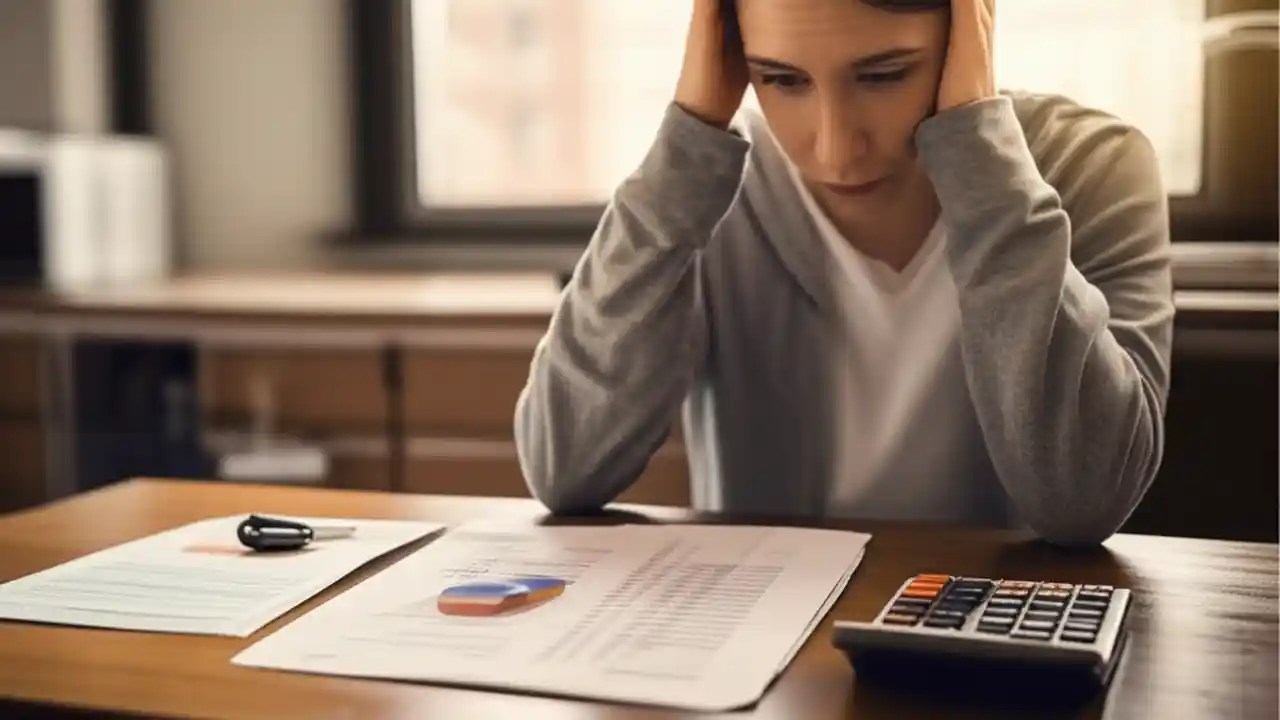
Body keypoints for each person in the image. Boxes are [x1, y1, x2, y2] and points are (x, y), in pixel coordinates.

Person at [514, 0, 1174, 546]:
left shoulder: (1096, 167)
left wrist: (981, 157)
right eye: (781, 79)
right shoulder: (708, 186)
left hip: (998, 662)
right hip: (769, 668)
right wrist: (690, 135)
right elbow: (564, 466)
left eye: (885, 74)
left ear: (968, 27)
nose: (834, 149)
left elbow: (1085, 501)